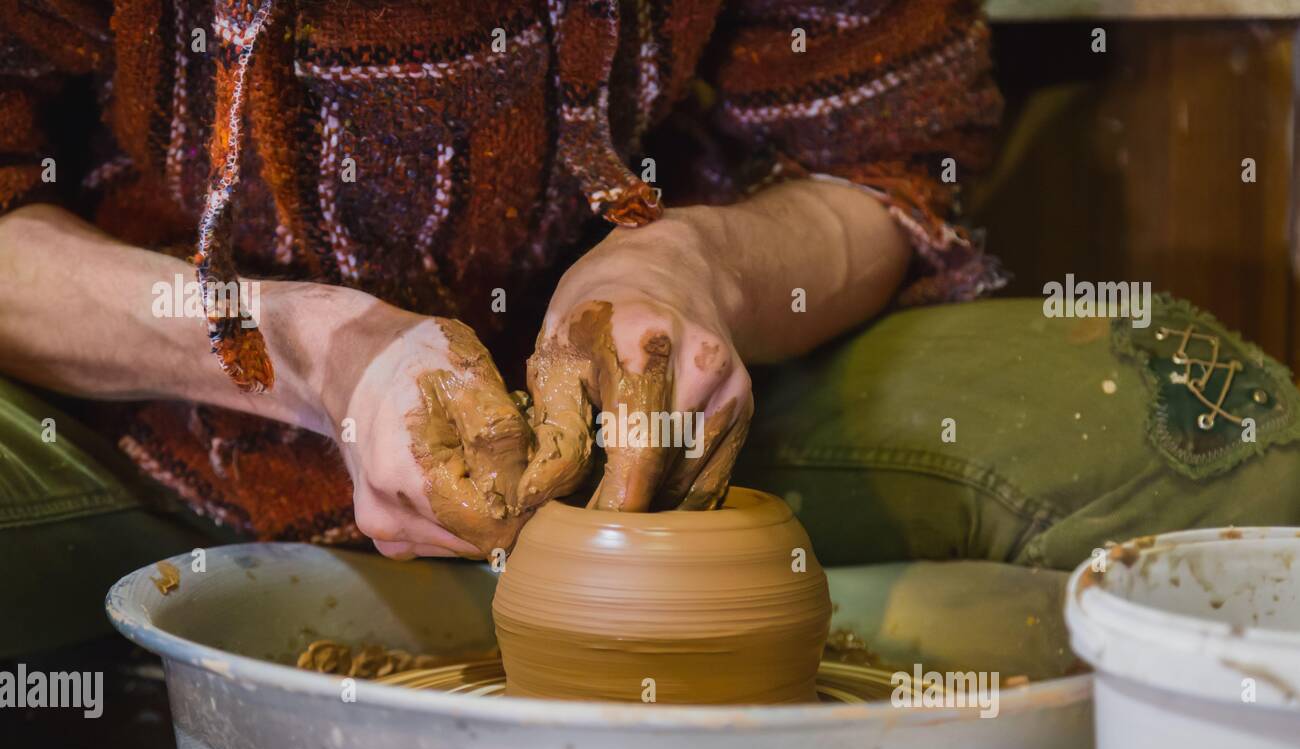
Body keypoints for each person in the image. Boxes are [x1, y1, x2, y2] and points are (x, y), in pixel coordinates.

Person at [3, 1, 1299, 659]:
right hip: (157, 399)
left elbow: (901, 159)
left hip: (681, 411)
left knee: (1202, 431)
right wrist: (310, 355)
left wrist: (691, 270)